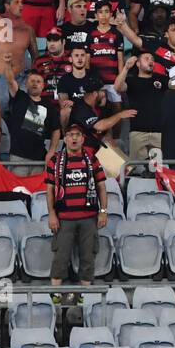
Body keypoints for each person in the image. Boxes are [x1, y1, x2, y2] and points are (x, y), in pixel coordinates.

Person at [45, 121, 107, 286]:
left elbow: (101, 186)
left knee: (88, 260)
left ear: (83, 139)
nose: (74, 138)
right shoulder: (55, 161)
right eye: (70, 135)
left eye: (77, 135)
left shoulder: (92, 159)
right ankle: (56, 302)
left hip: (89, 218)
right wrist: (51, 214)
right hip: (63, 218)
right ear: (65, 139)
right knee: (60, 259)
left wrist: (103, 211)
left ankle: (84, 302)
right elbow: (49, 190)